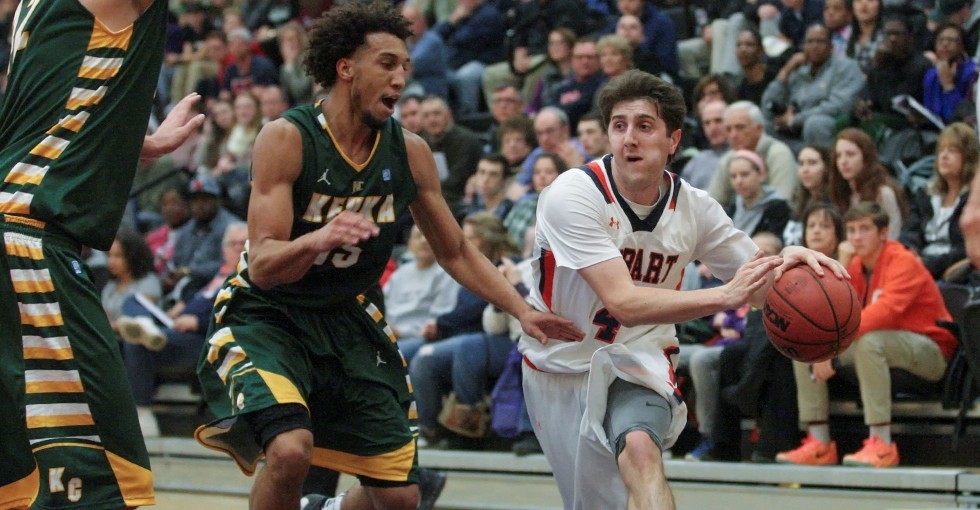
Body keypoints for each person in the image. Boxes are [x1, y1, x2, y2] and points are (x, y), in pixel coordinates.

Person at [193, 4, 581, 510]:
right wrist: (317, 239)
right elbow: (264, 265)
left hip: (350, 317)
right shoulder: (287, 137)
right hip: (270, 315)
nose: (400, 78)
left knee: (399, 499)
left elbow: (457, 250)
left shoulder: (410, 151)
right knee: (290, 453)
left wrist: (523, 309)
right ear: (345, 66)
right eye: (387, 63)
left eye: (405, 67)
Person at [520, 70, 843, 510]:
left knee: (642, 451)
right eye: (619, 125)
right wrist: (722, 296)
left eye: (644, 126)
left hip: (639, 357)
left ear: (673, 141)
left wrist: (793, 263)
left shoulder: (694, 207)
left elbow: (760, 284)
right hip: (559, 367)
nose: (629, 138)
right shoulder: (573, 195)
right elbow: (624, 302)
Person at [0, 0, 204, 506]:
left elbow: (49, 106)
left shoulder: (36, 8)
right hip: (26, 237)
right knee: (111, 477)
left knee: (19, 479)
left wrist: (134, 141)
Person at [776, 202, 956, 468]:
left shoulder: (903, 260)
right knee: (809, 345)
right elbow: (835, 313)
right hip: (887, 344)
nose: (856, 237)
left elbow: (885, 313)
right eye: (851, 230)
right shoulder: (858, 266)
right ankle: (819, 442)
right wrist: (844, 261)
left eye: (864, 229)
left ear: (883, 233)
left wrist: (834, 347)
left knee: (869, 342)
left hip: (931, 351)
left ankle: (882, 444)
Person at [118, 222, 249, 438]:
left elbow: (239, 318)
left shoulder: (247, 280)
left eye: (243, 243)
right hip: (175, 327)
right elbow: (190, 295)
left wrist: (197, 322)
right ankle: (146, 326)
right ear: (223, 248)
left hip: (204, 338)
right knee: (134, 300)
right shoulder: (210, 276)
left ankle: (142, 413)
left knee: (136, 342)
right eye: (232, 244)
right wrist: (181, 305)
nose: (237, 248)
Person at [761, 24, 865, 145]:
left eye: (820, 42)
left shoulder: (846, 67)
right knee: (763, 125)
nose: (814, 46)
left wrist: (796, 120)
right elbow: (767, 105)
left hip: (827, 125)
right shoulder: (798, 68)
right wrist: (786, 71)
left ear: (831, 46)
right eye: (809, 42)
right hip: (793, 128)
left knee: (815, 123)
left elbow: (837, 106)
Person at [899, 122, 977, 279]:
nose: (944, 156)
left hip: (954, 273)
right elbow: (909, 232)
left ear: (968, 156)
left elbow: (966, 248)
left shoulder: (974, 198)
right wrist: (909, 251)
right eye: (941, 150)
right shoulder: (925, 194)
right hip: (917, 266)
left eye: (952, 150)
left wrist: (927, 264)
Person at [828, 127, 906, 239]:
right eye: (839, 156)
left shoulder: (883, 193)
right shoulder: (843, 192)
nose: (843, 161)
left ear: (865, 157)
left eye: (850, 154)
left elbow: (892, 238)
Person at [725, 149, 791, 237]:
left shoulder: (777, 208)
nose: (738, 181)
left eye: (745, 174)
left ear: (761, 175)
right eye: (733, 176)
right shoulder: (733, 207)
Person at [783, 144, 832, 246]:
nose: (805, 169)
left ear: (826, 167)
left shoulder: (832, 204)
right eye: (801, 163)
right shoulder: (797, 203)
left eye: (812, 163)